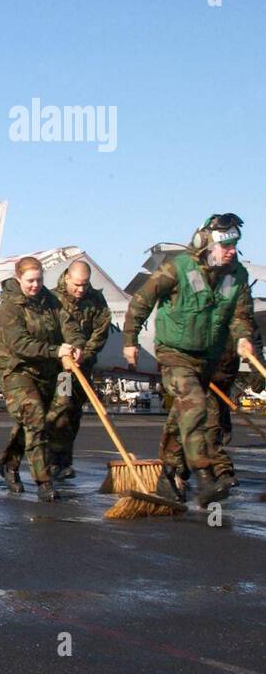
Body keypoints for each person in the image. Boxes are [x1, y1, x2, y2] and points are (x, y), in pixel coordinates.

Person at [124, 214, 256, 507]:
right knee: (195, 405)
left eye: (235, 244)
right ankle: (206, 478)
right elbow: (142, 300)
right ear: (204, 244)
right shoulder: (178, 268)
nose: (231, 250)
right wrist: (130, 340)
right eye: (225, 246)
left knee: (181, 416)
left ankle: (168, 474)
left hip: (208, 356)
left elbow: (240, 315)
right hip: (175, 353)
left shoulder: (236, 276)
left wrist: (243, 337)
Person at [0, 256, 81, 502]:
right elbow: (20, 344)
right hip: (18, 370)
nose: (35, 285)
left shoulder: (51, 300)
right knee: (35, 416)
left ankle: (10, 463)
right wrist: (56, 351)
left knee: (51, 416)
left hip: (52, 371)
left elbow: (69, 325)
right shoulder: (10, 307)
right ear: (18, 278)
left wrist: (75, 347)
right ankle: (44, 482)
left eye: (39, 280)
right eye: (30, 280)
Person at [45, 260, 112, 480]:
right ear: (67, 277)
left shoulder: (96, 299)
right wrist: (63, 352)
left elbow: (101, 332)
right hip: (61, 369)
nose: (81, 289)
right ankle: (53, 459)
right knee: (62, 408)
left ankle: (65, 460)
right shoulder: (52, 298)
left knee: (74, 413)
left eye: (85, 284)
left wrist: (86, 353)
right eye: (77, 285)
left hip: (84, 365)